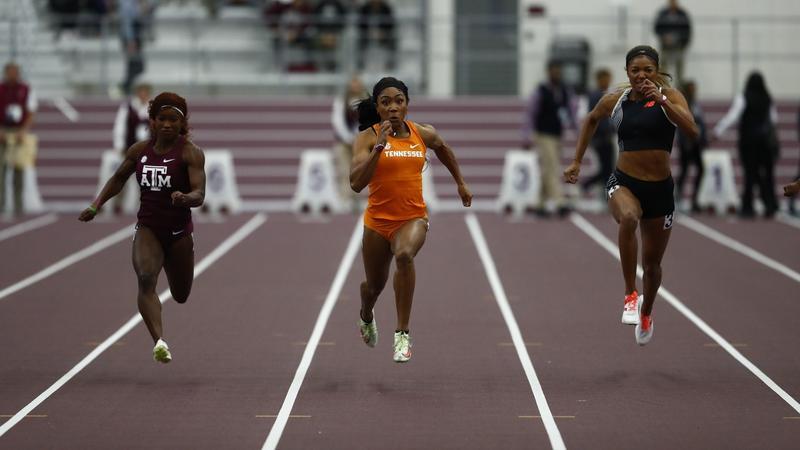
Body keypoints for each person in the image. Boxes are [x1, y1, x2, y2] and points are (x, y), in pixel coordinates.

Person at [564, 45, 698, 345]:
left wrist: (661, 99)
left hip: (661, 190)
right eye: (635, 70)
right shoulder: (616, 100)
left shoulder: (671, 97)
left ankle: (647, 311)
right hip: (624, 181)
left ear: (657, 71)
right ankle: (629, 294)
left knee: (652, 266)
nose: (641, 75)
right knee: (627, 217)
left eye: (647, 70)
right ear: (627, 72)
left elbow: (692, 130)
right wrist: (576, 160)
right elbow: (590, 119)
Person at [350, 77, 472, 362]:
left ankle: (402, 335)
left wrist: (460, 183)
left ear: (406, 105)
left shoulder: (422, 133)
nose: (393, 107)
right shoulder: (367, 137)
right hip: (378, 223)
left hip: (413, 217)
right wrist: (379, 148)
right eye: (386, 102)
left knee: (405, 255)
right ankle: (366, 314)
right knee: (373, 287)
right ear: (378, 107)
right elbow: (356, 183)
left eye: (399, 101)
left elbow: (443, 148)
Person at [79, 92, 206, 363]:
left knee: (180, 295)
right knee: (146, 279)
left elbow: (200, 193)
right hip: (148, 228)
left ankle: (162, 329)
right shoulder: (139, 151)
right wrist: (96, 205)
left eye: (173, 120)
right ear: (153, 121)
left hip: (179, 232)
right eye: (162, 119)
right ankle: (159, 341)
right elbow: (118, 178)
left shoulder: (190, 153)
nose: (167, 125)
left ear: (182, 123)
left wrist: (186, 198)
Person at [713, 71, 779, 218]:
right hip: (765, 144)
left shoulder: (744, 97)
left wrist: (718, 131)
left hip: (748, 142)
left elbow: (733, 116)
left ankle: (748, 207)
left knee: (750, 174)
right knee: (768, 175)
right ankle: (771, 205)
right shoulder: (767, 98)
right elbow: (774, 120)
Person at [521, 60, 577, 217]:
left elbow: (572, 112)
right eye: (554, 71)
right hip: (543, 134)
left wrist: (578, 132)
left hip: (558, 134)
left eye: (558, 71)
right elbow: (531, 113)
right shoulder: (541, 90)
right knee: (552, 167)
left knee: (547, 169)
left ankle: (539, 204)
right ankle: (559, 202)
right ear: (548, 72)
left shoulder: (565, 90)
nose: (556, 74)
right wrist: (526, 135)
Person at [0, 62, 38, 217]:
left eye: (16, 72)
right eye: (11, 72)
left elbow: (31, 112)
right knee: (1, 170)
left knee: (19, 169)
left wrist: (24, 130)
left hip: (19, 131)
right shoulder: (1, 89)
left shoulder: (25, 89)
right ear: (5, 73)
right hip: (3, 130)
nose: (13, 75)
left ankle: (18, 205)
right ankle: (1, 205)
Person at [111, 80, 152, 214]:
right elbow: (119, 127)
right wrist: (119, 145)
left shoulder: (152, 108)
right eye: (141, 91)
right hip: (130, 148)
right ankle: (118, 204)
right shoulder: (127, 107)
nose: (143, 94)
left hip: (147, 150)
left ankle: (144, 205)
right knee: (123, 176)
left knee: (146, 178)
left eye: (146, 92)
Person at [331, 74, 367, 210]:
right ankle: (345, 199)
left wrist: (360, 138)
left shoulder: (367, 101)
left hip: (361, 143)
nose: (355, 87)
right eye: (353, 84)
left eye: (357, 83)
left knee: (360, 172)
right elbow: (337, 121)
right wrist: (349, 138)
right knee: (344, 171)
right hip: (343, 143)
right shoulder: (341, 101)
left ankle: (358, 199)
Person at [581, 68, 616, 198]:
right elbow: (595, 118)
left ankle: (605, 194)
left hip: (606, 136)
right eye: (606, 79)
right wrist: (605, 131)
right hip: (601, 137)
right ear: (600, 80)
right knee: (607, 169)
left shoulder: (605, 94)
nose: (608, 82)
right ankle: (590, 186)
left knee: (607, 168)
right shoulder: (596, 95)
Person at [675, 80, 707, 212]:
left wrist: (704, 139)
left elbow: (701, 123)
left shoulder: (695, 103)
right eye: (692, 88)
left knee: (700, 170)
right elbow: (682, 122)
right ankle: (678, 198)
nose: (694, 91)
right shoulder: (684, 103)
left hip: (696, 143)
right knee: (684, 170)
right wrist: (684, 141)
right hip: (687, 143)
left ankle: (694, 199)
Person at [653, 0, 691, 85]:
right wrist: (664, 37)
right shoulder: (663, 14)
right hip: (665, 46)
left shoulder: (682, 14)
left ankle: (680, 86)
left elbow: (687, 30)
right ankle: (662, 85)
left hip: (678, 46)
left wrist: (682, 42)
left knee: (679, 68)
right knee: (663, 66)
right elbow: (657, 28)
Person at [357, 0, 396, 71]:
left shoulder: (386, 8)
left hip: (383, 35)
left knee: (393, 39)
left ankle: (390, 65)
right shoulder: (364, 8)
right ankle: (360, 65)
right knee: (358, 39)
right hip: (366, 35)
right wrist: (368, 32)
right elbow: (360, 25)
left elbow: (391, 25)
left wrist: (383, 33)